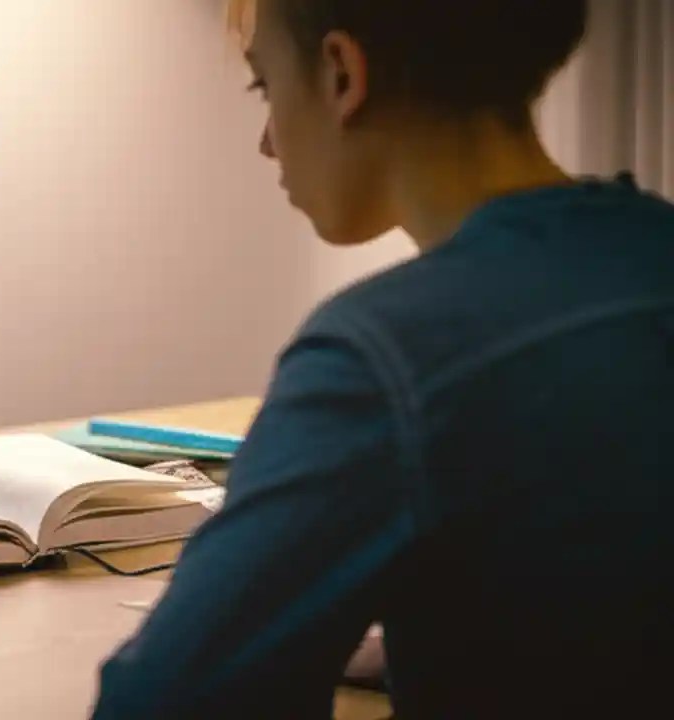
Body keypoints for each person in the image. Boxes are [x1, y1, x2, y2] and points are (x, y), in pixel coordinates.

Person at [91, 0, 674, 717]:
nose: (268, 142)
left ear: (342, 73)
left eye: (264, 87)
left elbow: (166, 701)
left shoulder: (381, 359)